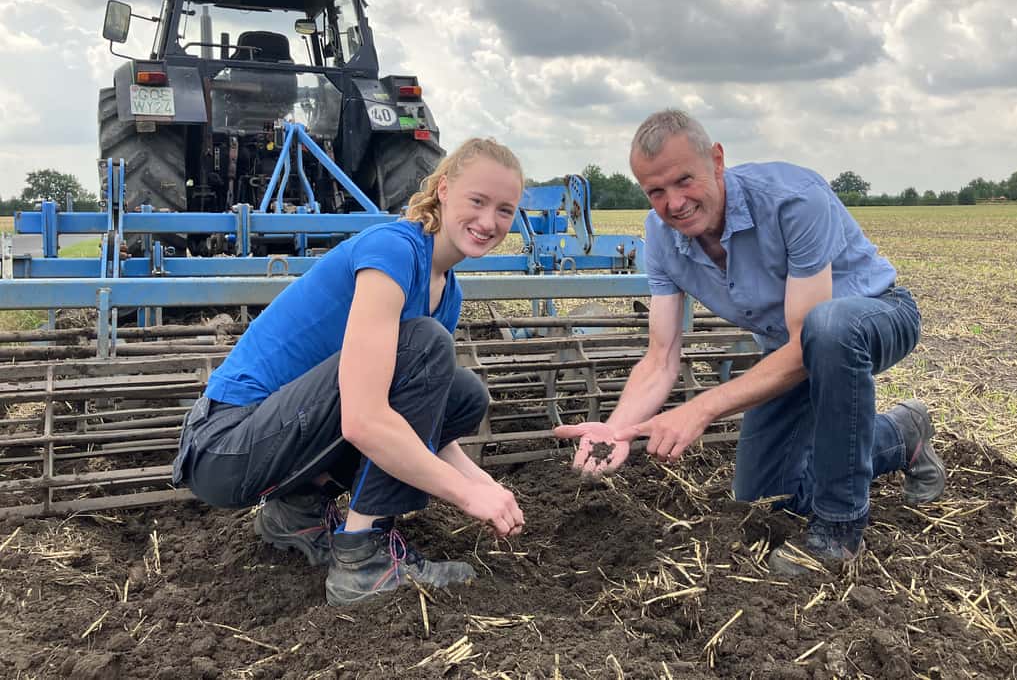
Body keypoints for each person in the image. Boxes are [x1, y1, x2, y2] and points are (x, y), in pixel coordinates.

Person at [554, 109, 945, 576]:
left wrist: (700, 408)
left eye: (684, 181)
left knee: (830, 327)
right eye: (656, 191)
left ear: (716, 161)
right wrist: (615, 429)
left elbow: (809, 340)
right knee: (766, 500)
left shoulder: (792, 201)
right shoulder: (660, 236)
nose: (673, 203)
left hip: (872, 316)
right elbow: (661, 357)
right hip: (788, 348)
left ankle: (840, 529)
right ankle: (902, 436)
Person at [172, 137, 526, 605]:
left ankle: (295, 512)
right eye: (477, 201)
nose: (488, 222)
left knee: (463, 395)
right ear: (443, 190)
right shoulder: (395, 250)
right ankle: (365, 556)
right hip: (225, 445)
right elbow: (364, 420)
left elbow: (426, 427)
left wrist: (487, 487)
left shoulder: (448, 291)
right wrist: (465, 496)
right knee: (424, 347)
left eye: (504, 210)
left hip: (277, 440)